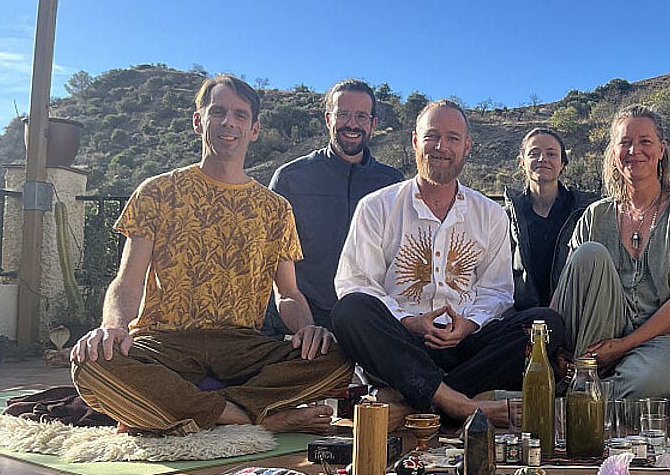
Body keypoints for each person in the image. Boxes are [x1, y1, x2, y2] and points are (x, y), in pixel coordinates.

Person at [70, 75, 353, 435]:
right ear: (198, 121)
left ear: (254, 130)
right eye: (218, 112)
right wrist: (113, 327)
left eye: (240, 115)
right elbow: (128, 281)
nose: (228, 122)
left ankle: (171, 408)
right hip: (165, 342)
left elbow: (288, 294)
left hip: (242, 347)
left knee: (337, 358)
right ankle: (257, 417)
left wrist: (308, 329)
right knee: (91, 363)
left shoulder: (275, 208)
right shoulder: (157, 192)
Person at [332, 100, 563, 426]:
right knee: (350, 309)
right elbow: (356, 282)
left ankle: (418, 402)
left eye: (453, 138)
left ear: (466, 146)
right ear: (415, 141)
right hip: (402, 345)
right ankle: (460, 405)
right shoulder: (377, 207)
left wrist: (469, 324)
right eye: (432, 136)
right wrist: (407, 321)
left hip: (467, 347)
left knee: (547, 324)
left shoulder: (490, 214)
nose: (441, 147)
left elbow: (497, 291)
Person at [551, 105, 670, 399]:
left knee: (646, 385)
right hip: (602, 336)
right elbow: (569, 289)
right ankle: (582, 381)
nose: (634, 150)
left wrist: (623, 347)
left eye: (645, 141)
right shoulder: (595, 215)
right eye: (624, 142)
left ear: (661, 150)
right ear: (613, 152)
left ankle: (575, 396)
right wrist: (552, 347)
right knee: (588, 254)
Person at [267, 78, 402, 331]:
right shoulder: (290, 179)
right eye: (343, 114)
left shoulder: (393, 184)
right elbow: (275, 267)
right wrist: (305, 327)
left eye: (361, 116)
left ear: (373, 124)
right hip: (302, 316)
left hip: (371, 319)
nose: (352, 124)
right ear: (328, 119)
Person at [505, 127, 596, 311]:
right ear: (522, 162)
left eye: (551, 153)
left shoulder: (585, 212)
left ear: (562, 164)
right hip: (522, 316)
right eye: (534, 153)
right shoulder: (506, 217)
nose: (542, 159)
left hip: (573, 314)